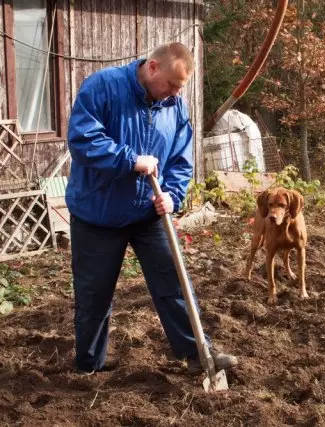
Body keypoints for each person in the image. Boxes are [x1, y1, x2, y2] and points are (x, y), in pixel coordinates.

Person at [65, 42, 237, 376]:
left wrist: (173, 195)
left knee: (173, 282)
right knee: (94, 296)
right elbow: (83, 140)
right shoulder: (103, 86)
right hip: (98, 214)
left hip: (148, 214)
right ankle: (88, 368)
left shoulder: (175, 106)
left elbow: (181, 161)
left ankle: (198, 355)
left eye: (180, 88)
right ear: (153, 67)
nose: (174, 93)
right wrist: (130, 160)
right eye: (171, 85)